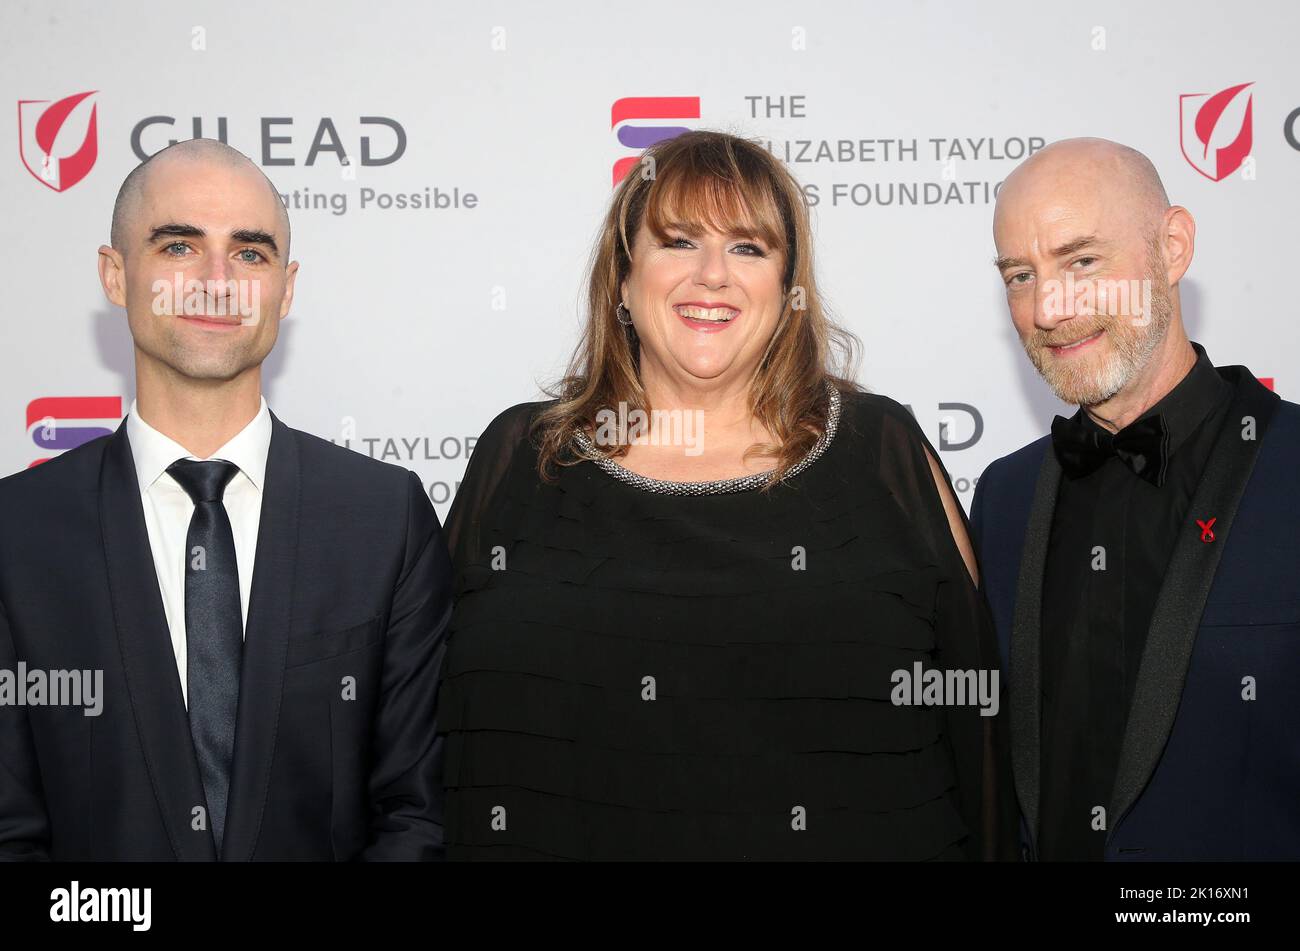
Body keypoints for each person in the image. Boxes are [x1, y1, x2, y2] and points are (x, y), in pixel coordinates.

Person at [437, 130, 1016, 860]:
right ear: (622, 277)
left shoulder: (882, 453)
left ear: (788, 285)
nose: (712, 275)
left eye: (749, 247)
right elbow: (426, 738)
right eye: (678, 241)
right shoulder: (520, 456)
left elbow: (980, 739)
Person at [0, 139, 451, 861]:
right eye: (179, 245)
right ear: (115, 275)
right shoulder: (18, 534)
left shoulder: (383, 520)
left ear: (286, 287)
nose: (217, 281)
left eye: (249, 253)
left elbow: (414, 813)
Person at [975, 137, 1300, 860]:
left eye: (1081, 261)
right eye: (1021, 275)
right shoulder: (1003, 499)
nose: (1049, 308)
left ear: (1173, 246)